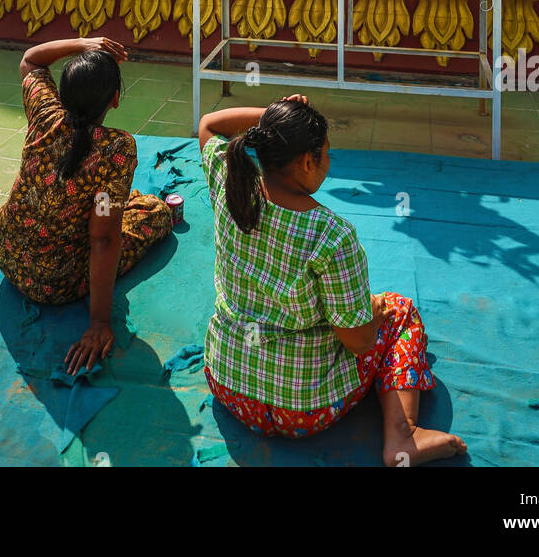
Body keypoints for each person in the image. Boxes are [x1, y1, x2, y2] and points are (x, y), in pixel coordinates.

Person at [198, 93, 466, 466]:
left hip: (229, 387)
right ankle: (403, 435)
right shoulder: (332, 235)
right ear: (308, 161)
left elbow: (209, 123)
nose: (328, 161)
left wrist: (275, 118)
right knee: (400, 312)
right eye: (326, 154)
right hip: (301, 412)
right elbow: (357, 342)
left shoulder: (229, 183)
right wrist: (372, 312)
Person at [0, 34, 172, 374]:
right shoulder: (116, 150)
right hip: (53, 284)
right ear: (115, 99)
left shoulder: (45, 112)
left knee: (70, 202)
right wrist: (99, 323)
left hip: (7, 250)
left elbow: (31, 60)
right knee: (153, 212)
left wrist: (82, 43)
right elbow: (102, 240)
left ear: (61, 95)